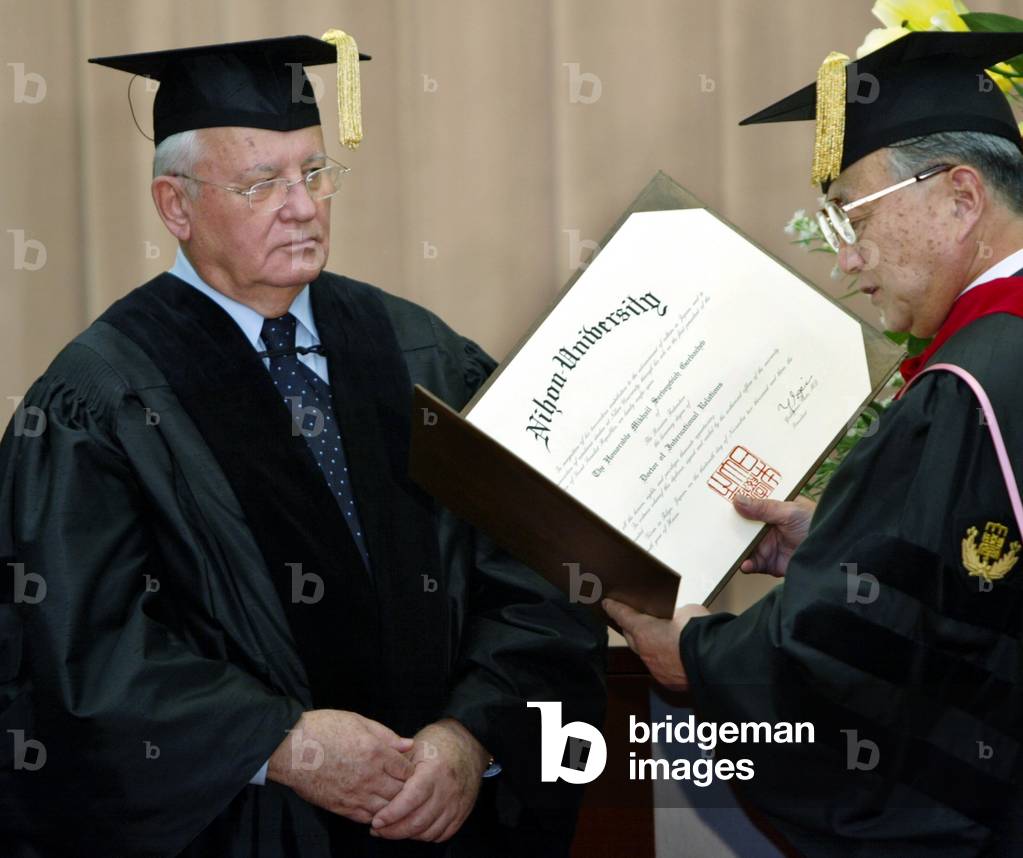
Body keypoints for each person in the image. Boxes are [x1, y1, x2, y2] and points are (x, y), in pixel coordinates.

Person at [0, 32, 605, 857]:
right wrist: (277, 742)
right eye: (261, 183)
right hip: (248, 827)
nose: (303, 206)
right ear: (175, 206)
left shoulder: (419, 352)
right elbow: (77, 647)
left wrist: (475, 735)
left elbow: (537, 569)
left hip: (450, 819)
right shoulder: (100, 398)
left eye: (316, 174)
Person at [606, 31, 1023, 857]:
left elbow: (855, 672)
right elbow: (966, 595)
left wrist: (693, 650)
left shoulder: (969, 386)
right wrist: (836, 546)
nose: (845, 259)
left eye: (853, 214)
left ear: (959, 197)